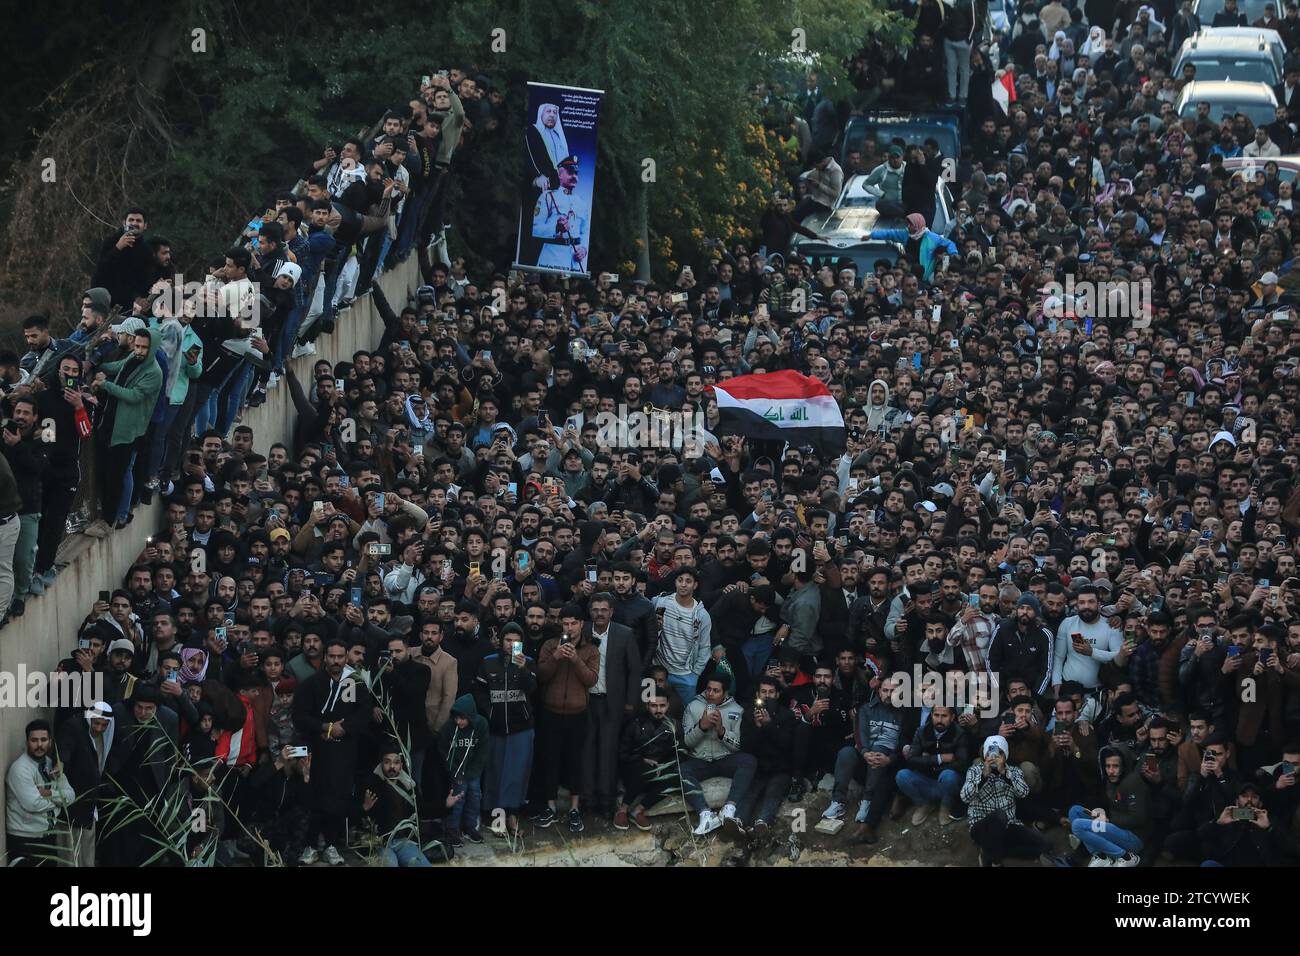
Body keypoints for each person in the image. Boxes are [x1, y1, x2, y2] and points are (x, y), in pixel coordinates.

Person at [292, 638, 372, 866]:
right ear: (325, 657)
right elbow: (300, 716)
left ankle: (331, 844)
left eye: (340, 657)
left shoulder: (354, 683)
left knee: (339, 799)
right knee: (314, 798)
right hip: (317, 751)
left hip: (345, 752)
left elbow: (364, 713)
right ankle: (310, 844)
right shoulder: (310, 684)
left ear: (346, 657)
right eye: (332, 656)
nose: (336, 661)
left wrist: (343, 728)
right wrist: (325, 727)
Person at [534, 603, 599, 832]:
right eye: (566, 623)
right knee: (550, 760)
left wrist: (575, 659)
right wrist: (556, 657)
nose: (569, 628)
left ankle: (574, 808)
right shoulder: (550, 645)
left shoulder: (591, 649)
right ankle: (550, 807)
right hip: (551, 714)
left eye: (573, 623)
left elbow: (591, 680)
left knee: (575, 762)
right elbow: (541, 676)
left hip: (577, 714)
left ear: (581, 624)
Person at [581, 591, 642, 818]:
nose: (599, 614)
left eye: (604, 610)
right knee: (587, 752)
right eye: (595, 610)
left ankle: (606, 802)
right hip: (586, 702)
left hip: (612, 702)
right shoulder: (582, 631)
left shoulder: (624, 634)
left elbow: (635, 671)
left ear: (611, 612)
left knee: (608, 752)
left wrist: (630, 702)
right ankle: (588, 800)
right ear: (590, 612)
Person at [679, 672, 758, 835]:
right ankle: (705, 814)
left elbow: (737, 747)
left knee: (749, 760)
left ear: (725, 692)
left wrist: (722, 730)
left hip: (724, 759)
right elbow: (686, 742)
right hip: (699, 760)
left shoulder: (736, 710)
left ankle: (729, 808)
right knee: (680, 770)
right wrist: (702, 726)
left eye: (716, 691)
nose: (711, 694)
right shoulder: (693, 707)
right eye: (708, 689)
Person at [960, 734, 1051, 867]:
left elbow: (1023, 793)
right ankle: (996, 862)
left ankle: (990, 853)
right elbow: (964, 797)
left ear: (1005, 756)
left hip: (1008, 825)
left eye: (999, 753)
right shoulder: (975, 771)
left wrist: (1005, 774)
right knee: (999, 815)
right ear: (985, 754)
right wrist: (983, 777)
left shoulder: (1013, 771)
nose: (994, 757)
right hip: (981, 826)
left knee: (1046, 846)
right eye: (990, 752)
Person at [5, 719, 75, 866]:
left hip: (48, 838)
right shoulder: (20, 769)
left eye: (43, 740)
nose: (39, 745)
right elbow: (34, 804)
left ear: (50, 741)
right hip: (25, 840)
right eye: (34, 740)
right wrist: (59, 804)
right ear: (27, 742)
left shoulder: (51, 765)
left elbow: (71, 796)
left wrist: (49, 794)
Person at [614, 687, 682, 831]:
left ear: (668, 706)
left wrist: (663, 765)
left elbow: (679, 753)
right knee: (645, 770)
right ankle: (622, 810)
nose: (658, 710)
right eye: (654, 706)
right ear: (647, 706)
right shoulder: (635, 723)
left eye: (662, 706)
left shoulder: (674, 726)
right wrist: (642, 760)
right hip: (634, 770)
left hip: (659, 771)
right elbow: (622, 753)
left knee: (677, 778)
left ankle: (638, 810)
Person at [895, 705, 970, 825]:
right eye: (936, 715)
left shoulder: (959, 734)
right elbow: (911, 759)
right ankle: (924, 804)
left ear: (952, 717)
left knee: (949, 776)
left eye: (944, 716)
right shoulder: (921, 731)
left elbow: (962, 763)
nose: (939, 720)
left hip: (946, 783)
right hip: (926, 780)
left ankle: (946, 805)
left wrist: (927, 760)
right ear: (931, 715)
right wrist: (940, 758)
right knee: (901, 776)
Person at [361, 745, 430, 866]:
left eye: (396, 762)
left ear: (401, 765)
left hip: (403, 841)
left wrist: (445, 804)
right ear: (381, 763)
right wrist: (364, 808)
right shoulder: (371, 783)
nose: (392, 767)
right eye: (387, 762)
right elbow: (352, 815)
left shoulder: (409, 785)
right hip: (381, 843)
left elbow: (422, 809)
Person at [437, 694, 490, 847]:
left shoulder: (481, 725)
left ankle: (470, 827)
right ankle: (452, 829)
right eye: (456, 717)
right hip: (456, 771)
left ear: (471, 716)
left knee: (474, 795)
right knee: (458, 797)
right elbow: (442, 751)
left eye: (462, 718)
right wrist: (454, 772)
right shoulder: (449, 727)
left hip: (473, 770)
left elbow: (483, 753)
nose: (458, 721)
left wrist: (472, 773)